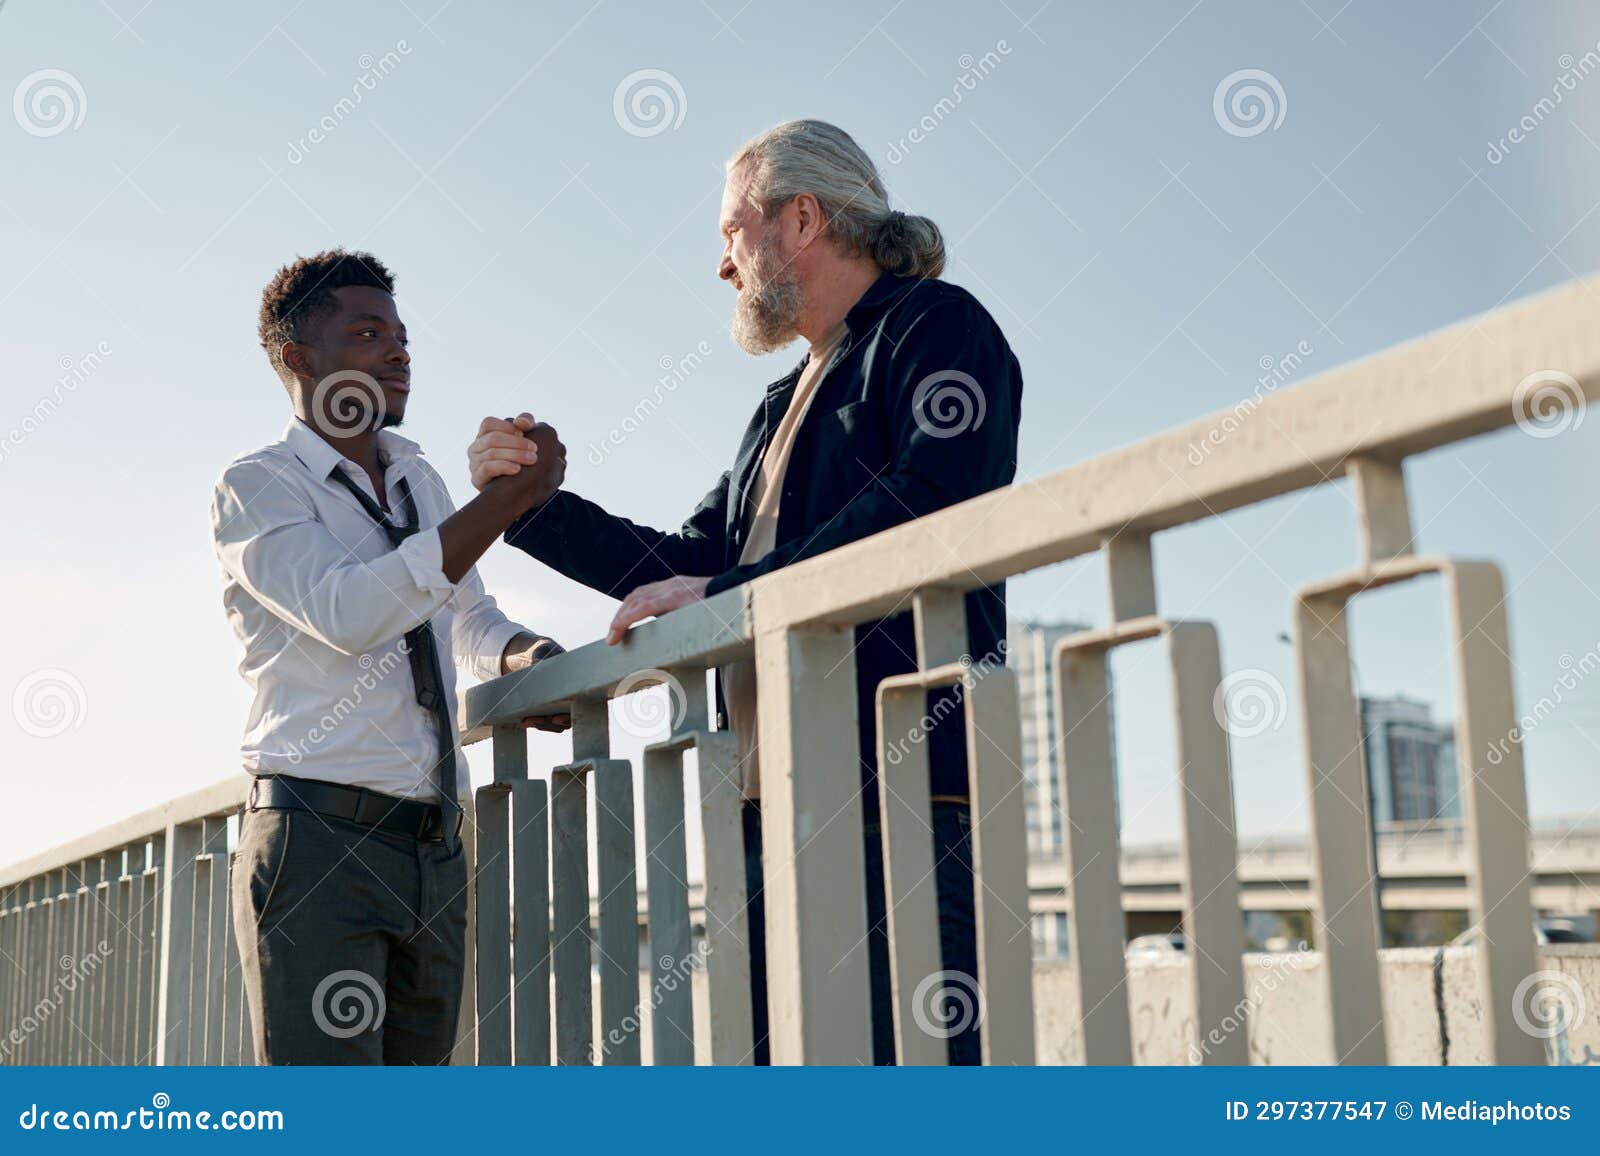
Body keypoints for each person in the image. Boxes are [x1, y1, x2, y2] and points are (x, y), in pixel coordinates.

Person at [469, 121, 1022, 1064]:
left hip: (901, 800)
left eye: (732, 230)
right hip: (771, 811)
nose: (721, 262)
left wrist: (731, 589)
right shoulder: (777, 405)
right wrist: (529, 503)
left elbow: (931, 501)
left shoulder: (939, 325)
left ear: (800, 218)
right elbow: (685, 563)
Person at [212, 249, 569, 1064]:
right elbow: (350, 613)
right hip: (317, 841)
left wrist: (524, 657)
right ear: (298, 359)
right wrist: (505, 500)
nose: (398, 351)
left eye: (402, 335)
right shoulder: (258, 486)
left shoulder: (421, 483)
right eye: (368, 333)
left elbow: (467, 617)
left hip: (436, 850)